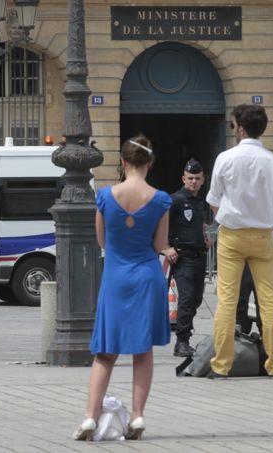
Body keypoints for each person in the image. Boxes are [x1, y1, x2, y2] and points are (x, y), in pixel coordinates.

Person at [73, 135, 171, 441]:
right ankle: (138, 416)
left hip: (116, 277)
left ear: (123, 162)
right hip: (146, 275)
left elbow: (102, 241)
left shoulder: (104, 196)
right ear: (150, 164)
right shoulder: (160, 199)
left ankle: (90, 418)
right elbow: (159, 244)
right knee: (142, 351)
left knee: (105, 352)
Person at [206, 104, 273, 379]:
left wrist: (227, 218)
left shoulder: (226, 158)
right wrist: (265, 219)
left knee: (227, 300)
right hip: (263, 235)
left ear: (240, 129)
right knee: (269, 300)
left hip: (232, 235)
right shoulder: (272, 161)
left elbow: (214, 199)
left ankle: (221, 364)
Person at [163, 158, 209, 357]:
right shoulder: (176, 200)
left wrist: (205, 237)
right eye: (190, 178)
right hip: (183, 257)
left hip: (199, 256)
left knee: (196, 299)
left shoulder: (200, 202)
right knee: (187, 298)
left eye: (197, 178)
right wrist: (166, 248)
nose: (193, 182)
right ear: (183, 178)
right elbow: (159, 224)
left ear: (203, 180)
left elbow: (197, 225)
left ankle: (183, 339)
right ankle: (182, 341)